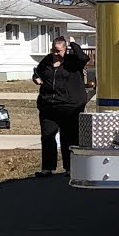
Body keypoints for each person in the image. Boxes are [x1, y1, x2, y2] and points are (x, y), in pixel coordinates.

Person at [35, 41, 91, 176]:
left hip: (70, 107)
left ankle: (70, 168)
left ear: (65, 50)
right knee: (47, 137)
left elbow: (85, 58)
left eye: (58, 51)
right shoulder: (47, 61)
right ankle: (47, 168)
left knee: (69, 138)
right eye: (53, 50)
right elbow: (38, 72)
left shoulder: (73, 62)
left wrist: (73, 44)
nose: (55, 53)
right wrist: (36, 78)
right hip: (49, 106)